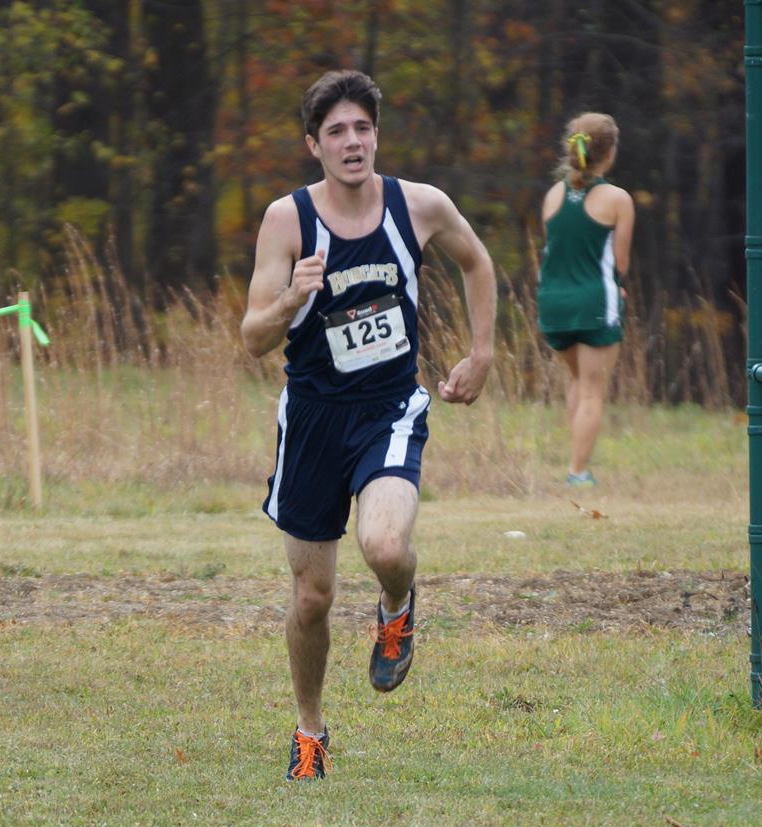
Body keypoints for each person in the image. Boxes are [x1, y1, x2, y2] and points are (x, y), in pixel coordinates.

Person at [241, 70, 497, 781]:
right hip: (314, 418)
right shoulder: (287, 221)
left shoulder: (418, 205)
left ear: (376, 135)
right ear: (313, 145)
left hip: (390, 407)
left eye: (362, 128)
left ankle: (396, 603)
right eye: (336, 132)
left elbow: (477, 263)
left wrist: (481, 351)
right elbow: (252, 337)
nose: (352, 142)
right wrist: (293, 296)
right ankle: (310, 729)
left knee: (384, 544)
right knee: (312, 596)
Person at [536, 113, 633, 487]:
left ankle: (576, 462)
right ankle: (577, 472)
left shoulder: (553, 195)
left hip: (553, 303)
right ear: (608, 153)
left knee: (578, 379)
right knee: (593, 389)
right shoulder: (617, 199)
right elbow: (620, 264)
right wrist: (617, 286)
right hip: (593, 303)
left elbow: (557, 250)